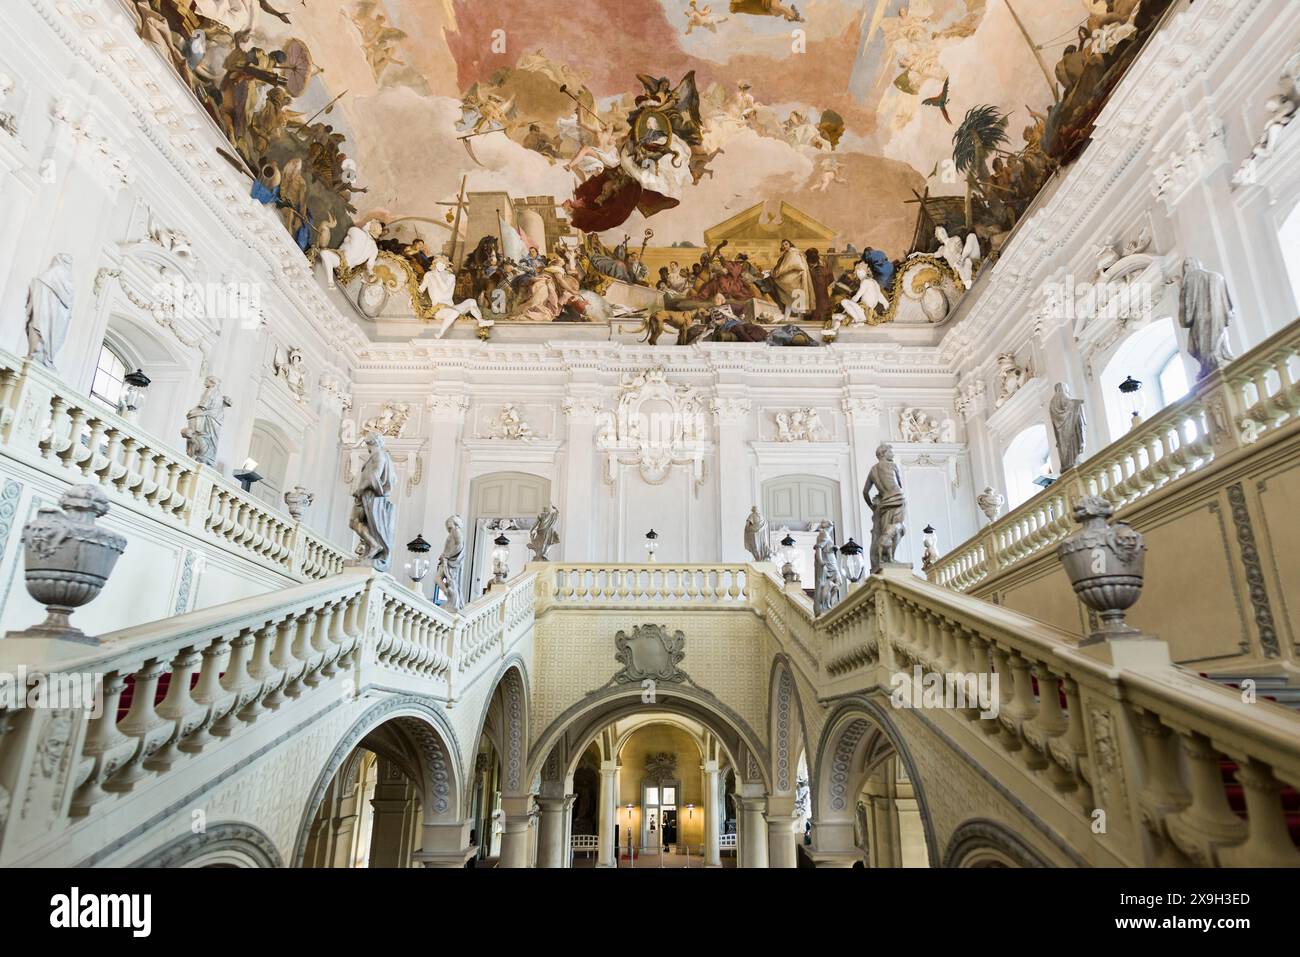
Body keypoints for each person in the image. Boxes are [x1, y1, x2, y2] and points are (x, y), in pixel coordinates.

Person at [349, 433, 396, 572]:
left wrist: (360, 489)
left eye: (368, 444)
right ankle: (373, 545)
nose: (367, 447)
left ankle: (374, 545)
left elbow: (374, 475)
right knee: (356, 522)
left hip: (369, 494)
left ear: (372, 443)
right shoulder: (375, 456)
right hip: (366, 494)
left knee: (355, 522)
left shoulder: (379, 455)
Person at [863, 443, 906, 572]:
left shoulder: (873, 470)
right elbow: (900, 485)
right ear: (883, 453)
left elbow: (865, 492)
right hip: (898, 498)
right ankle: (891, 558)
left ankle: (885, 560)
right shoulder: (893, 466)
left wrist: (872, 506)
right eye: (890, 452)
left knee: (884, 533)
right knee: (899, 529)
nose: (892, 454)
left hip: (884, 503)